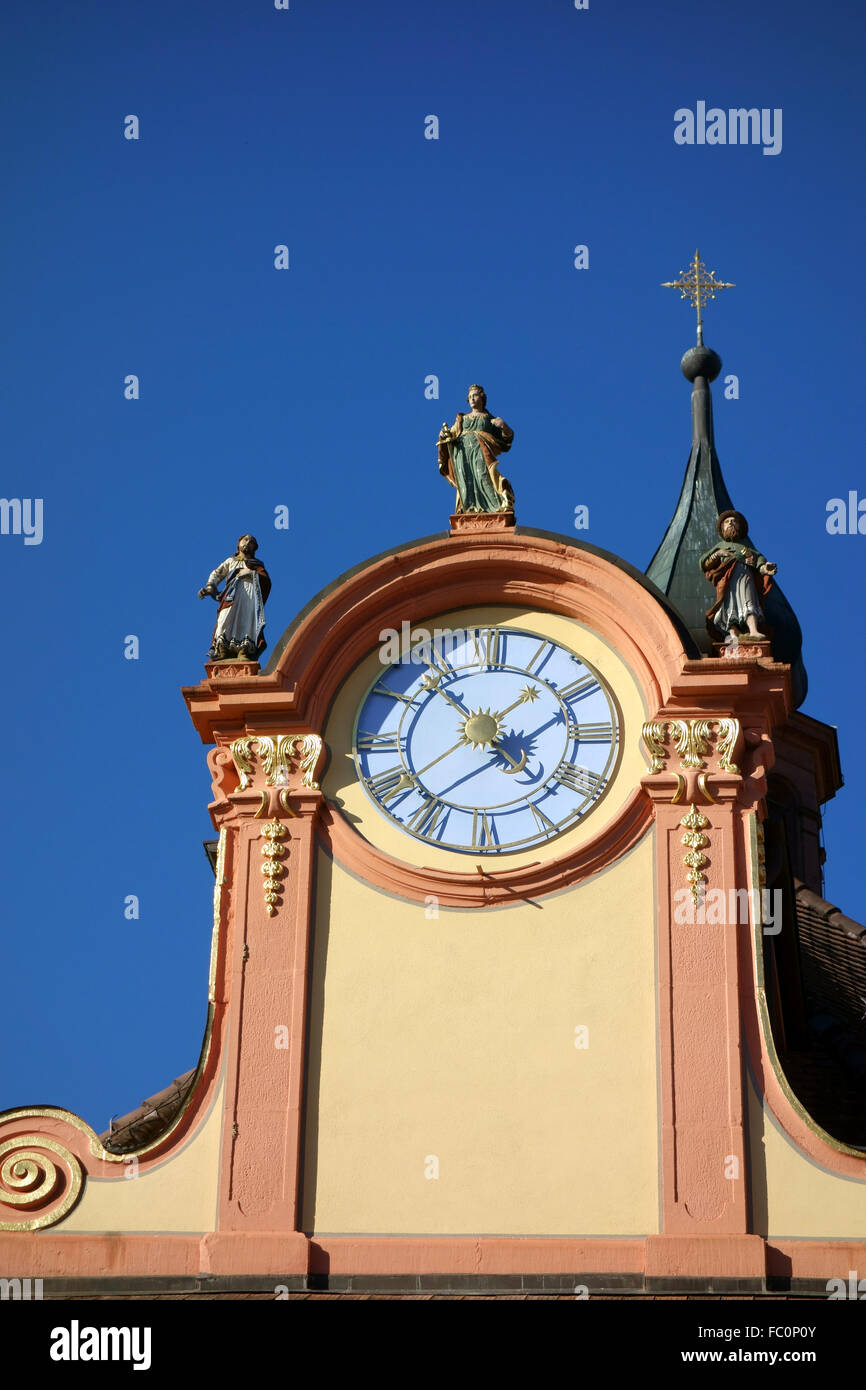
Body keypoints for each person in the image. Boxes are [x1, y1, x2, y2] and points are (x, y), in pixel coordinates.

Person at [437, 384, 515, 513]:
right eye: (470, 397)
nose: (472, 399)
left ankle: (496, 505)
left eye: (475, 396)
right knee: (465, 479)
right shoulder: (462, 419)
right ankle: (467, 507)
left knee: (483, 476)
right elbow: (451, 434)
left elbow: (507, 439)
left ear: (482, 398)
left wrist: (504, 426)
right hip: (462, 454)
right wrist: (443, 435)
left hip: (481, 452)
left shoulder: (489, 419)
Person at [701, 510, 777, 641]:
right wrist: (718, 554)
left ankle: (753, 630)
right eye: (727, 522)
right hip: (727, 580)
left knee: (749, 602)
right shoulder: (720, 546)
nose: (730, 523)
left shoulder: (746, 549)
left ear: (740, 528)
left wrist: (765, 568)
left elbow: (759, 562)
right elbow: (704, 562)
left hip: (744, 576)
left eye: (734, 521)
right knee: (728, 606)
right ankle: (733, 635)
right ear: (722, 528)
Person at [198, 534, 271, 660]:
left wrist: (250, 573)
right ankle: (222, 649)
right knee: (224, 619)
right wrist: (210, 587)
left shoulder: (257, 565)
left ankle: (244, 650)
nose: (248, 543)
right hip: (231, 593)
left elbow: (266, 580)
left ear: (255, 548)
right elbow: (217, 573)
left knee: (247, 619)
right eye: (245, 540)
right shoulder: (231, 561)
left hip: (249, 592)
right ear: (239, 544)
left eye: (251, 542)